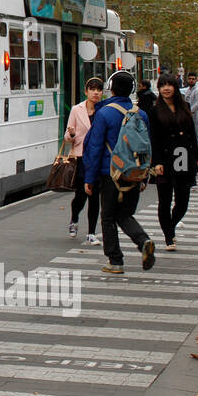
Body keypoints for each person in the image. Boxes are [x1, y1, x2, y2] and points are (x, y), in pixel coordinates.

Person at [83, 70, 155, 275]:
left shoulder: (104, 113)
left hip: (110, 173)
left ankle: (115, 260)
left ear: (111, 89)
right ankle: (143, 241)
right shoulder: (140, 114)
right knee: (125, 215)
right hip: (133, 172)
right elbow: (147, 146)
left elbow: (95, 147)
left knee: (107, 217)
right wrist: (145, 175)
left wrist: (89, 178)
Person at [151, 74, 198, 251]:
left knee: (182, 202)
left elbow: (192, 134)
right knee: (164, 200)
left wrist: (196, 157)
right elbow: (153, 139)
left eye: (169, 85)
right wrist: (155, 162)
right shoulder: (155, 111)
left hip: (184, 158)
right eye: (162, 85)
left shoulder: (184, 106)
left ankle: (170, 226)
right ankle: (169, 236)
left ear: (175, 87)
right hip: (164, 160)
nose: (165, 88)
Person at [63, 76, 104, 244]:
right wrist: (71, 134)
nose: (96, 92)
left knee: (95, 196)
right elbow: (67, 137)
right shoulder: (76, 109)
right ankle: (74, 218)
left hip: (99, 158)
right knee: (81, 195)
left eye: (99, 89)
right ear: (86, 91)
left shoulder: (104, 110)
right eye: (92, 89)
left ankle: (91, 233)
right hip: (81, 156)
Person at [183, 72, 198, 141]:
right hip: (188, 115)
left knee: (195, 137)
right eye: (189, 79)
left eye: (193, 79)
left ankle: (197, 151)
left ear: (196, 80)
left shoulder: (197, 90)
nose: (191, 80)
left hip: (194, 115)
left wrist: (190, 111)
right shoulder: (188, 90)